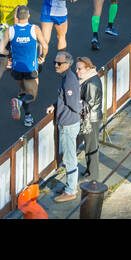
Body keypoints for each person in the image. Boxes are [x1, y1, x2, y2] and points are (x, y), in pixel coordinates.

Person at [1, 5, 48, 126]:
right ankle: (19, 102)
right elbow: (45, 45)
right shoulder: (34, 29)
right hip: (30, 68)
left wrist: (10, 54)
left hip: (16, 68)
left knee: (23, 90)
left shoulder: (10, 30)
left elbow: (1, 50)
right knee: (32, 95)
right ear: (28, 16)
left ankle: (28, 117)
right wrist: (42, 57)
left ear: (16, 16)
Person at [48, 50, 83, 202]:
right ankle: (70, 186)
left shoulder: (69, 80)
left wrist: (78, 110)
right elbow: (65, 99)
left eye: (59, 63)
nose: (56, 65)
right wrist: (55, 105)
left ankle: (70, 190)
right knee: (69, 156)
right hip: (68, 122)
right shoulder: (67, 78)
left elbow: (74, 104)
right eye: (55, 62)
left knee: (69, 158)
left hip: (68, 124)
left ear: (67, 64)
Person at [76, 57, 104, 178]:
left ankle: (93, 174)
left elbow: (89, 103)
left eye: (79, 69)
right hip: (91, 117)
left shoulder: (91, 82)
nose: (77, 71)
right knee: (89, 145)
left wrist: (78, 102)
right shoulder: (89, 79)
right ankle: (90, 170)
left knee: (91, 146)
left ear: (87, 68)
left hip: (91, 119)